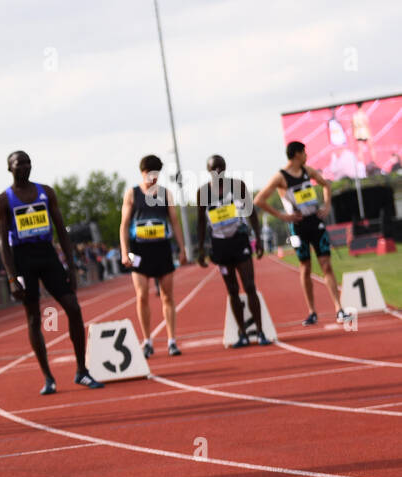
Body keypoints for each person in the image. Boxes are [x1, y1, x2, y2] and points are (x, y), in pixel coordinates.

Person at [0, 151, 104, 394]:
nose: (24, 166)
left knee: (73, 308)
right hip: (23, 259)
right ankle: (48, 377)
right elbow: (2, 242)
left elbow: (62, 231)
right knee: (33, 318)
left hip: (48, 254)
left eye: (27, 162)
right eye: (18, 163)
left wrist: (72, 266)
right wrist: (12, 278)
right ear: (9, 168)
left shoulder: (46, 192)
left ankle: (81, 370)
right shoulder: (4, 200)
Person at [250, 141, 349, 325]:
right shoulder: (280, 177)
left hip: (315, 222)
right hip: (297, 227)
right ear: (296, 154)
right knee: (305, 267)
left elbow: (325, 184)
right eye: (304, 152)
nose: (306, 156)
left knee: (326, 264)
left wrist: (326, 206)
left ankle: (339, 309)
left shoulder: (307, 171)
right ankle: (312, 311)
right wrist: (282, 216)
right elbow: (259, 200)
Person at [194, 155, 284, 348]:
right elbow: (201, 222)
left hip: (239, 240)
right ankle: (243, 333)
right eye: (213, 168)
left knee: (250, 286)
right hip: (219, 245)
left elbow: (251, 212)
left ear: (225, 168)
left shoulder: (238, 186)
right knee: (232, 290)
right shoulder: (203, 192)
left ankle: (260, 332)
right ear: (208, 171)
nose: (217, 171)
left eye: (220, 167)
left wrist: (258, 239)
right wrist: (201, 249)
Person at [120, 155, 186, 356]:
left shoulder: (166, 194)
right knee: (142, 296)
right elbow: (123, 224)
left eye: (157, 175)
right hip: (139, 251)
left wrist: (182, 248)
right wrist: (124, 252)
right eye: (150, 174)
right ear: (142, 172)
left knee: (167, 296)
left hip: (162, 249)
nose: (153, 178)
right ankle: (147, 340)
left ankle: (171, 340)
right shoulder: (132, 194)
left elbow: (174, 222)